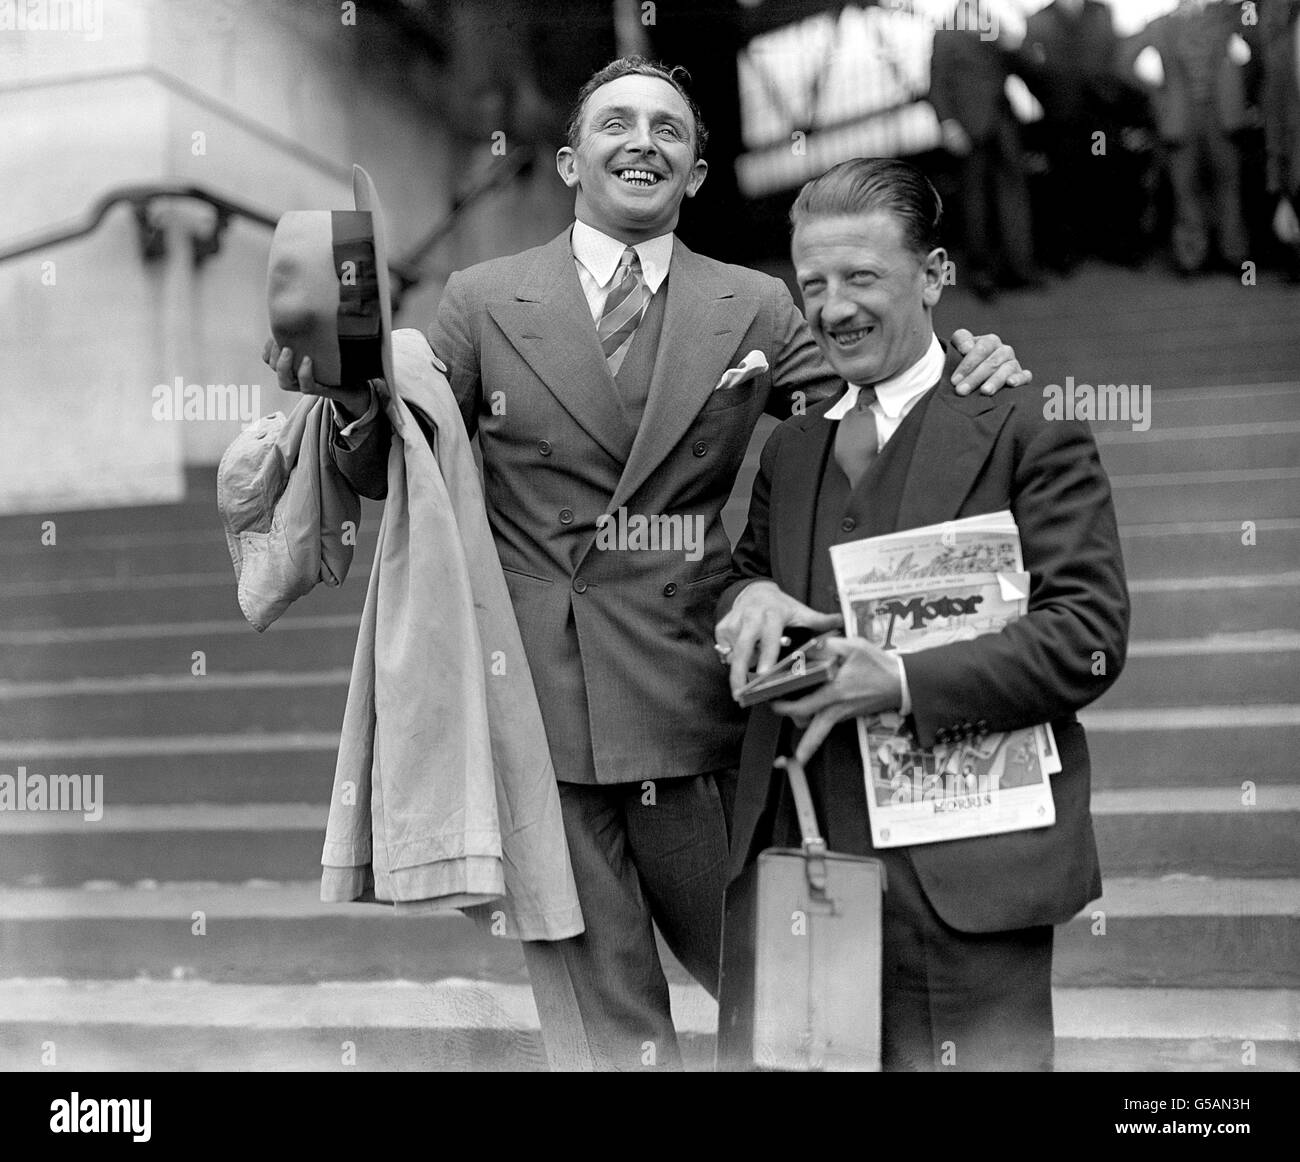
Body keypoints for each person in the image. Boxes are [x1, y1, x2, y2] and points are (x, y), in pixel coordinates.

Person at [264, 57, 1030, 1072]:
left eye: (669, 129)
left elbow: (869, 402)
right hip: (537, 702)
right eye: (616, 123)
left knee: (785, 985)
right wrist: (351, 396)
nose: (643, 140)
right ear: (573, 161)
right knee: (605, 1023)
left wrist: (959, 367)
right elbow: (400, 459)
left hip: (697, 695)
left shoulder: (754, 305)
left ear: (699, 173)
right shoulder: (483, 299)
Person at [715, 158, 1129, 1071]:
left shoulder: (1025, 421)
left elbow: (1088, 637)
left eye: (862, 278)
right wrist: (747, 602)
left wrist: (901, 679)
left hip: (970, 875)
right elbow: (744, 573)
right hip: (806, 857)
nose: (832, 309)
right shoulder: (791, 449)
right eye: (812, 284)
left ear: (935, 276)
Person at [1121, 0, 1251, 275]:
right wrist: (1158, 96)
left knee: (1227, 184)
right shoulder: (1162, 24)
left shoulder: (1231, 16)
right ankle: (1192, 257)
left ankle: (1234, 254)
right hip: (1181, 120)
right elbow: (1123, 61)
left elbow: (1260, 47)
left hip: (1221, 117)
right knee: (1185, 188)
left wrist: (1238, 89)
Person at [929, 0, 1040, 298]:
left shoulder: (993, 31)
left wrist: (1009, 41)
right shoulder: (945, 34)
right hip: (970, 126)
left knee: (1012, 195)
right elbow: (937, 84)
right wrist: (949, 124)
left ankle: (1018, 267)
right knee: (975, 201)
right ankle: (982, 272)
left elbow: (1026, 63)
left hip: (1002, 124)